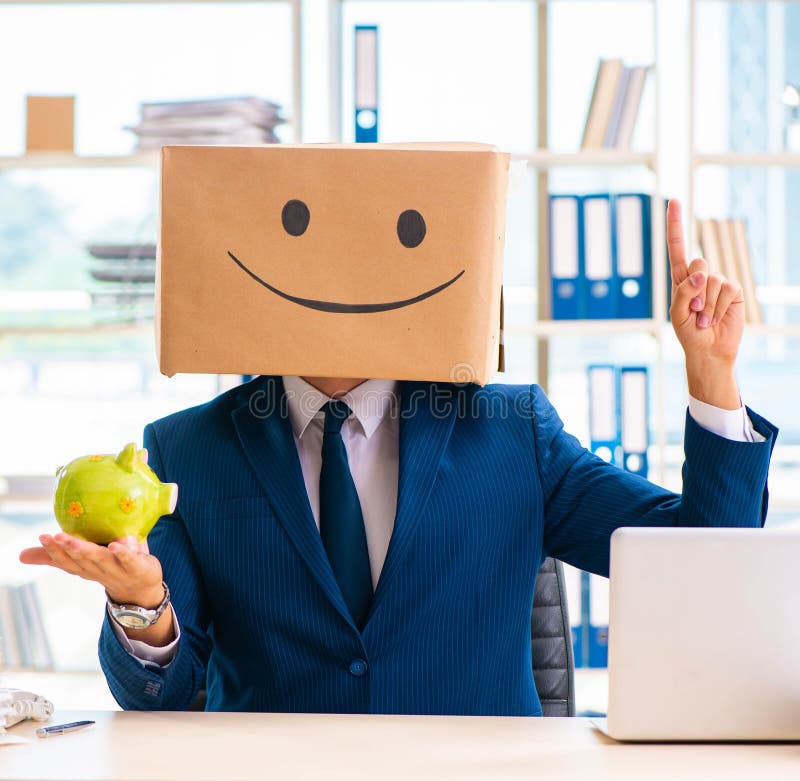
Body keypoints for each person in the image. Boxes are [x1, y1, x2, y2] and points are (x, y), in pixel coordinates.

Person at [21, 201, 776, 715]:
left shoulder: (512, 430)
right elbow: (161, 692)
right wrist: (142, 608)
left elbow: (705, 556)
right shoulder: (185, 450)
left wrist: (712, 376)